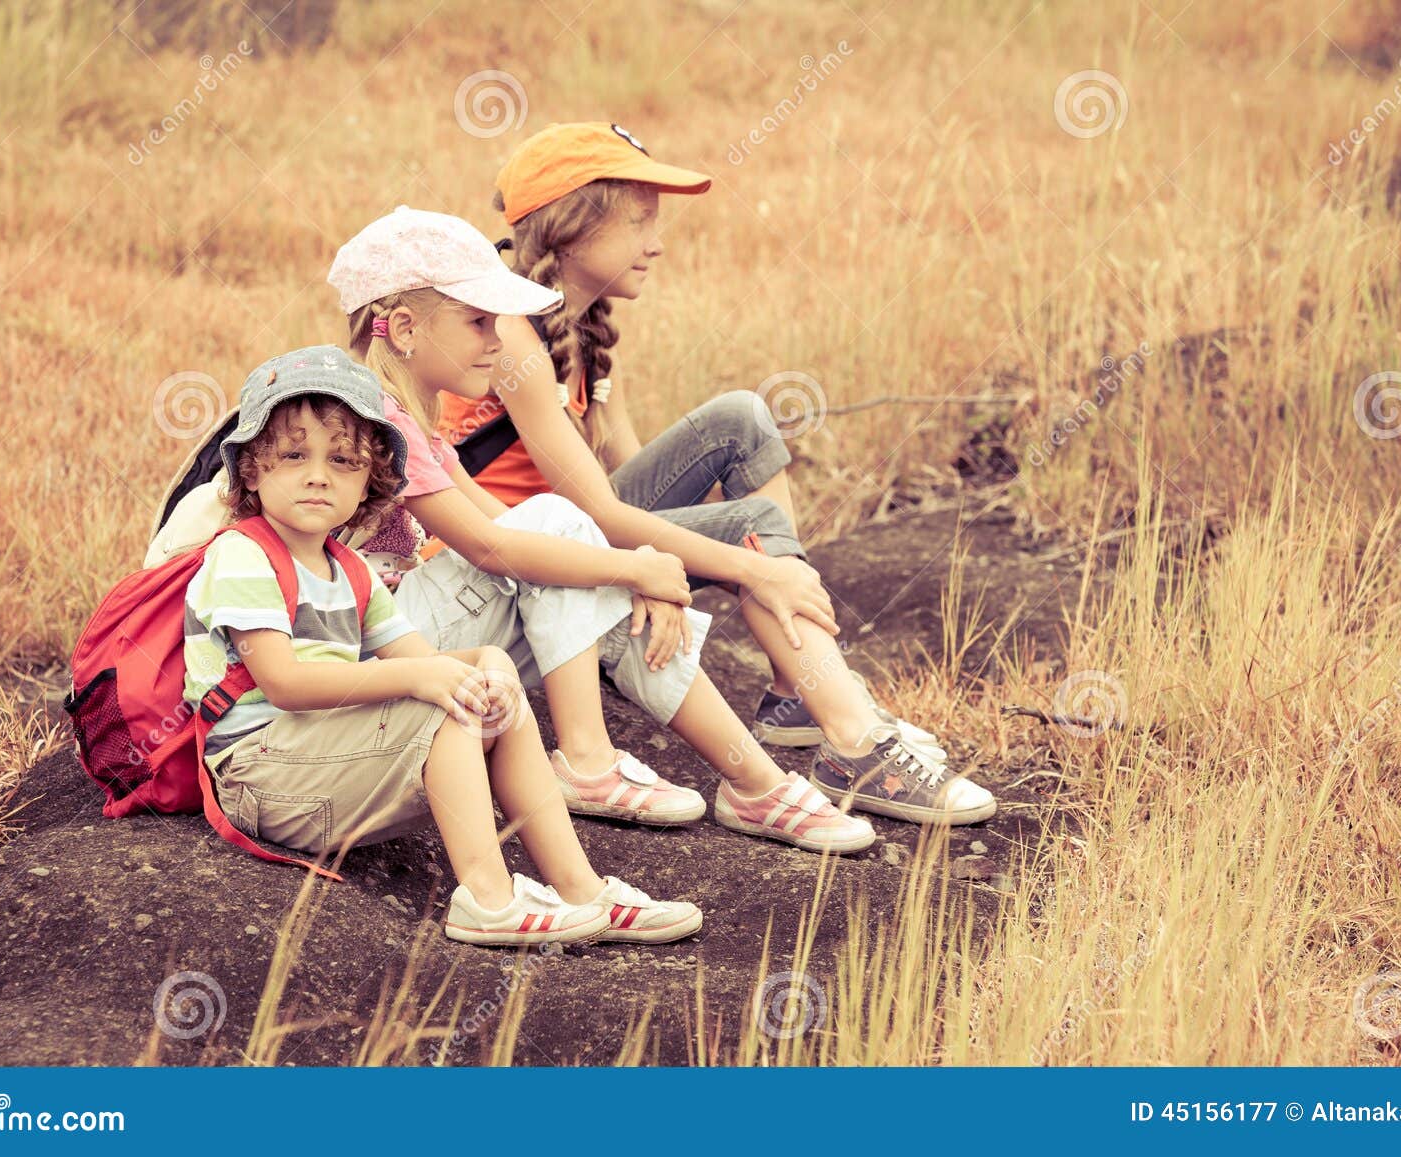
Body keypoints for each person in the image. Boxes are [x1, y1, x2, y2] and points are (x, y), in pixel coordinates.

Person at [437, 123, 996, 826]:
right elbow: (607, 518)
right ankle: (853, 742)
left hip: (574, 532)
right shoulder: (515, 334)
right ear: (573, 230)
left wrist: (668, 559)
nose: (657, 242)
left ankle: (799, 684)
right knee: (751, 532)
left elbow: (625, 478)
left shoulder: (579, 321)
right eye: (639, 221)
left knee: (741, 417)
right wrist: (745, 569)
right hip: (516, 566)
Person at [327, 207, 875, 854]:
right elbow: (490, 545)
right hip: (357, 661)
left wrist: (620, 566)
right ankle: (596, 762)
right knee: (563, 528)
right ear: (407, 329)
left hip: (400, 639)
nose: (496, 341)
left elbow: (501, 523)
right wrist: (631, 568)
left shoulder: (413, 422)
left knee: (570, 539)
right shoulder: (374, 416)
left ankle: (753, 780)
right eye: (477, 323)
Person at [183, 343, 702, 946]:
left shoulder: (348, 569)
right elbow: (286, 684)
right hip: (261, 775)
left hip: (325, 764)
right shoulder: (242, 553)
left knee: (485, 685)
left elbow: (420, 661)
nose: (319, 474)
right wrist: (424, 681)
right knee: (440, 701)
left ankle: (583, 890)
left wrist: (488, 665)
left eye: (344, 461)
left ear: (369, 481)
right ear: (251, 469)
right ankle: (487, 898)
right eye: (293, 456)